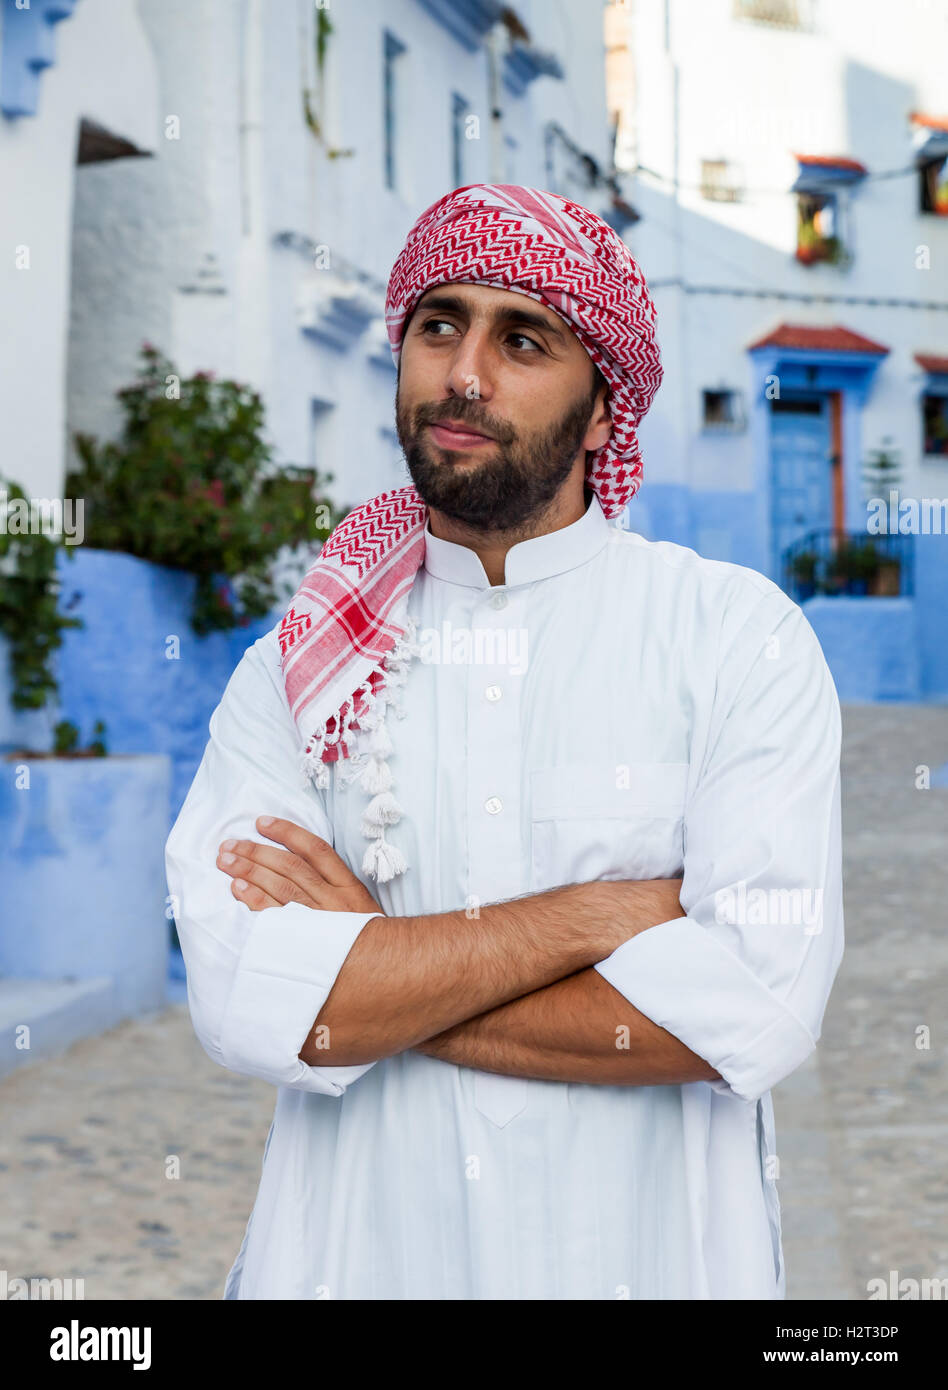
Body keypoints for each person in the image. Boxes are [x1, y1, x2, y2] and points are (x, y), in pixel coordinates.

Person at [165, 183, 844, 1300]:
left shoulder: (735, 641)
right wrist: (597, 917)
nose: (464, 374)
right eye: (440, 326)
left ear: (608, 405)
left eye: (523, 338)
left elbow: (756, 1015)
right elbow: (249, 1004)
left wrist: (372, 970)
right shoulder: (298, 669)